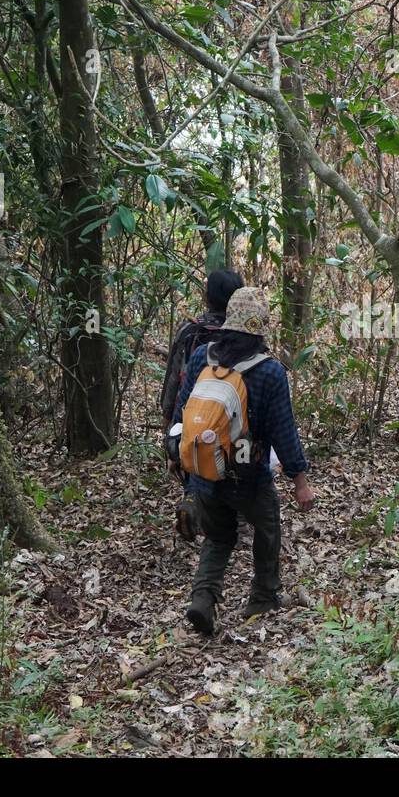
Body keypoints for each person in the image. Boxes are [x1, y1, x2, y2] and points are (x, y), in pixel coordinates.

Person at [174, 287, 315, 634]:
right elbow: (283, 431)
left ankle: (203, 599)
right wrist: (300, 482)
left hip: (206, 467)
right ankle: (264, 593)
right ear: (261, 324)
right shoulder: (269, 372)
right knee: (267, 527)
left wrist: (179, 460)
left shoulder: (202, 357)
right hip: (248, 471)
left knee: (219, 536)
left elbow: (183, 411)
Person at [162, 269, 244, 540]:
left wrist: (169, 423)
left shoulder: (190, 330)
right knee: (229, 460)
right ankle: (231, 512)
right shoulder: (244, 335)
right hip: (231, 418)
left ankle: (193, 501)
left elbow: (173, 377)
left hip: (191, 413)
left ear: (208, 297)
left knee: (194, 456)